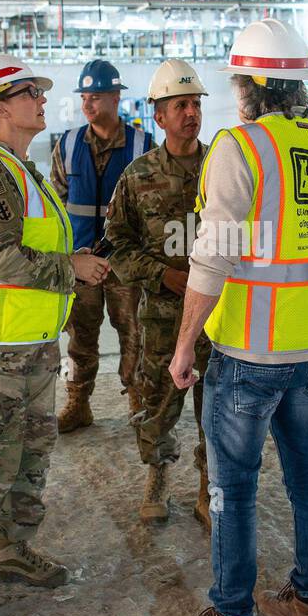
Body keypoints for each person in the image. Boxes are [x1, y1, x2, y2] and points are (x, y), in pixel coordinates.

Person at [167, 19, 308, 616]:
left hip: (247, 353)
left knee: (234, 491)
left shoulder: (238, 148)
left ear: (248, 86)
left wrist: (186, 344)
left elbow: (212, 255)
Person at [0, 53, 110, 616]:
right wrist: (75, 267)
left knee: (32, 460)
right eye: (29, 92)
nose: (41, 100)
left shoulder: (24, 169)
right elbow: (5, 259)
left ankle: (12, 551)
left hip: (34, 348)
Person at [105, 60, 212, 527]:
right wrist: (161, 276)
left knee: (220, 410)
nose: (191, 113)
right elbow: (118, 246)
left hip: (220, 319)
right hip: (163, 319)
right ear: (160, 116)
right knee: (157, 403)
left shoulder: (222, 170)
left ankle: (211, 487)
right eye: (180, 105)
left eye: (195, 104)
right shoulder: (137, 176)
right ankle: (158, 476)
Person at [50, 59, 153, 433]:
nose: (87, 104)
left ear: (115, 97)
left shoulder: (142, 145)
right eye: (84, 97)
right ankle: (78, 403)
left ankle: (139, 403)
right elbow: (57, 205)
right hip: (82, 263)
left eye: (95, 97)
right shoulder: (69, 143)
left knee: (135, 336)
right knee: (79, 338)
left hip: (125, 264)